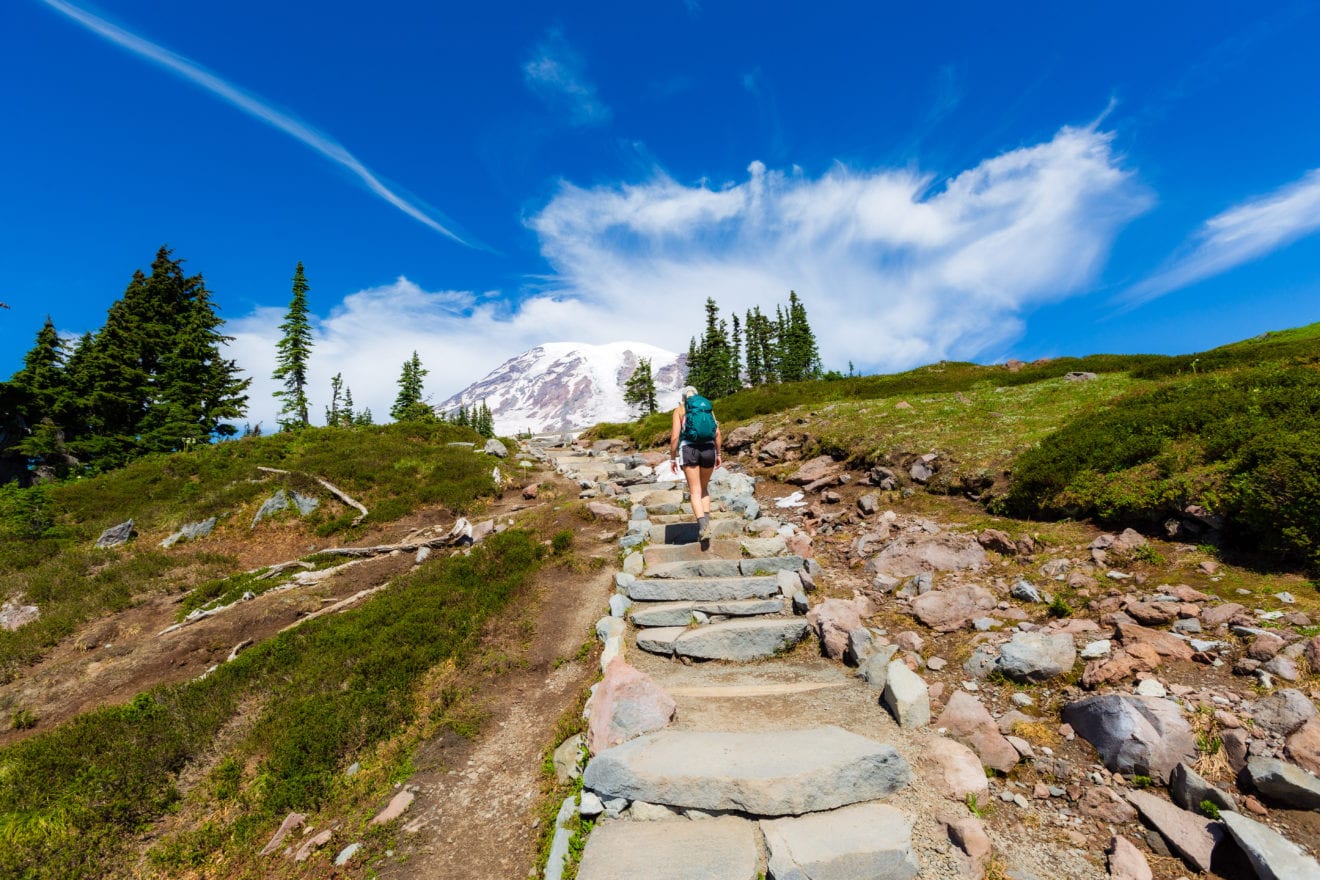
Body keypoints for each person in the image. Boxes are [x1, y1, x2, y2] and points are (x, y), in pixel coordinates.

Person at [670, 385, 722, 541]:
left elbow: (674, 437)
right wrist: (718, 453)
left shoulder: (680, 409)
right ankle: (706, 525)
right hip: (708, 449)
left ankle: (702, 527)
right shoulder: (707, 407)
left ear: (683, 397)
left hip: (689, 450)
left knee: (695, 491)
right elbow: (717, 433)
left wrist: (672, 458)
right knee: (704, 489)